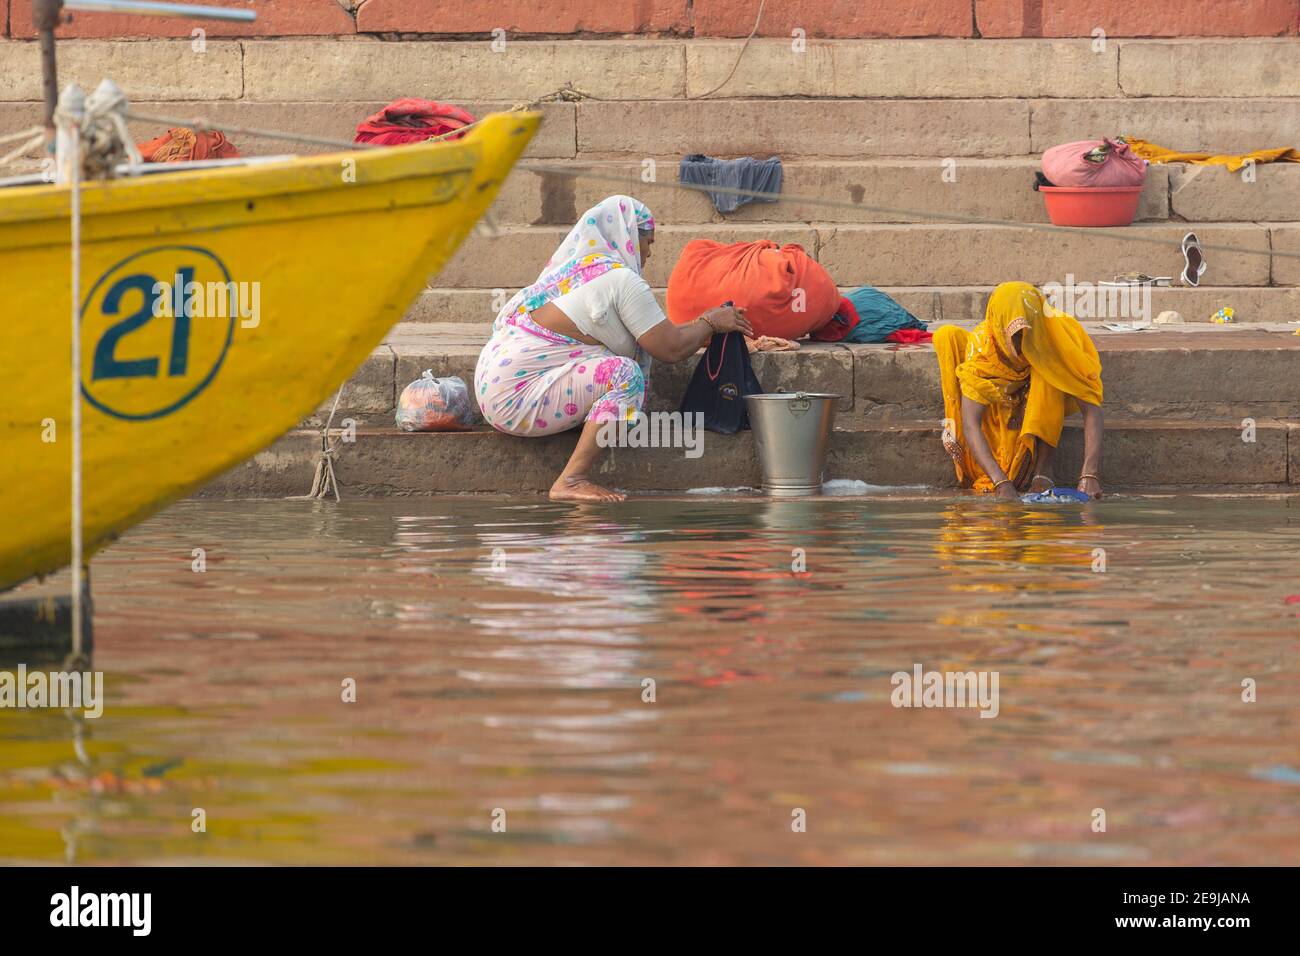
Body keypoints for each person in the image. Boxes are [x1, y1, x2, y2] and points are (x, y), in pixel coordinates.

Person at [474, 195, 752, 502]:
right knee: (624, 374)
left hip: (496, 386)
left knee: (609, 362)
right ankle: (571, 480)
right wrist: (710, 322)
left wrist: (707, 328)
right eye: (649, 242)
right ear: (631, 238)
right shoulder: (622, 281)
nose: (649, 253)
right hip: (514, 399)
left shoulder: (585, 271)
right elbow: (669, 348)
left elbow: (660, 333)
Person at [933, 281, 1104, 501]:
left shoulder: (1053, 337)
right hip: (999, 416)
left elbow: (1092, 408)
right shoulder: (983, 346)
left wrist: (1090, 474)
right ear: (1000, 328)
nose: (1023, 345)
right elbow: (970, 424)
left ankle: (1043, 470)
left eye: (1027, 334)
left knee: (1046, 373)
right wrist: (1001, 482)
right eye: (1016, 335)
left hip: (1035, 407)